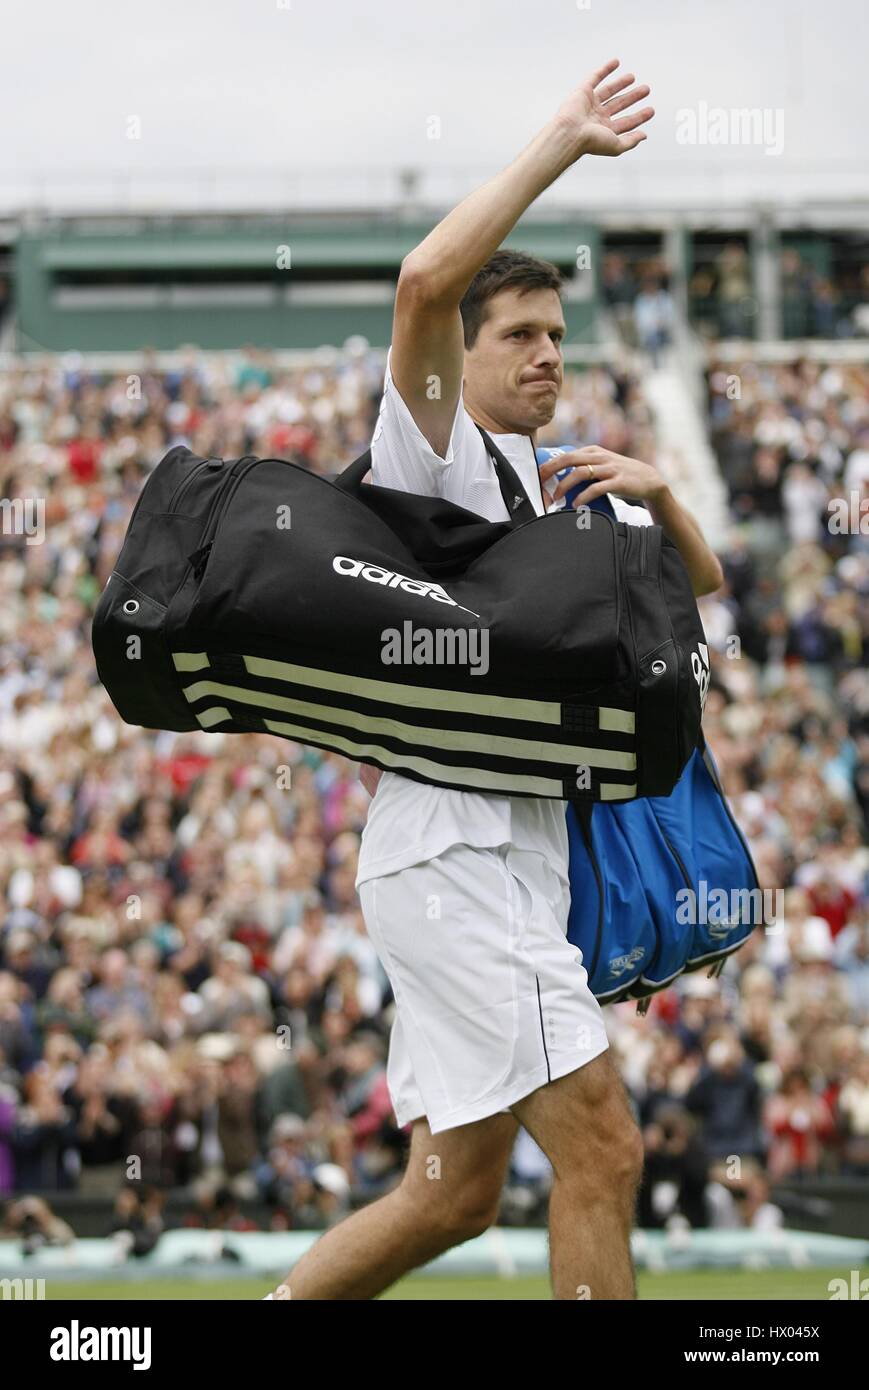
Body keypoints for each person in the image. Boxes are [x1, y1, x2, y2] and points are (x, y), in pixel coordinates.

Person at [265, 59, 722, 1302]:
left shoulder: (542, 487)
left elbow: (708, 598)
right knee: (605, 1145)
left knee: (451, 1195)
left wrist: (667, 497)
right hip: (457, 858)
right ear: (457, 361)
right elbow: (425, 279)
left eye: (557, 337)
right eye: (517, 335)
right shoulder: (435, 459)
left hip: (498, 860)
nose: (544, 356)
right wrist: (563, 142)